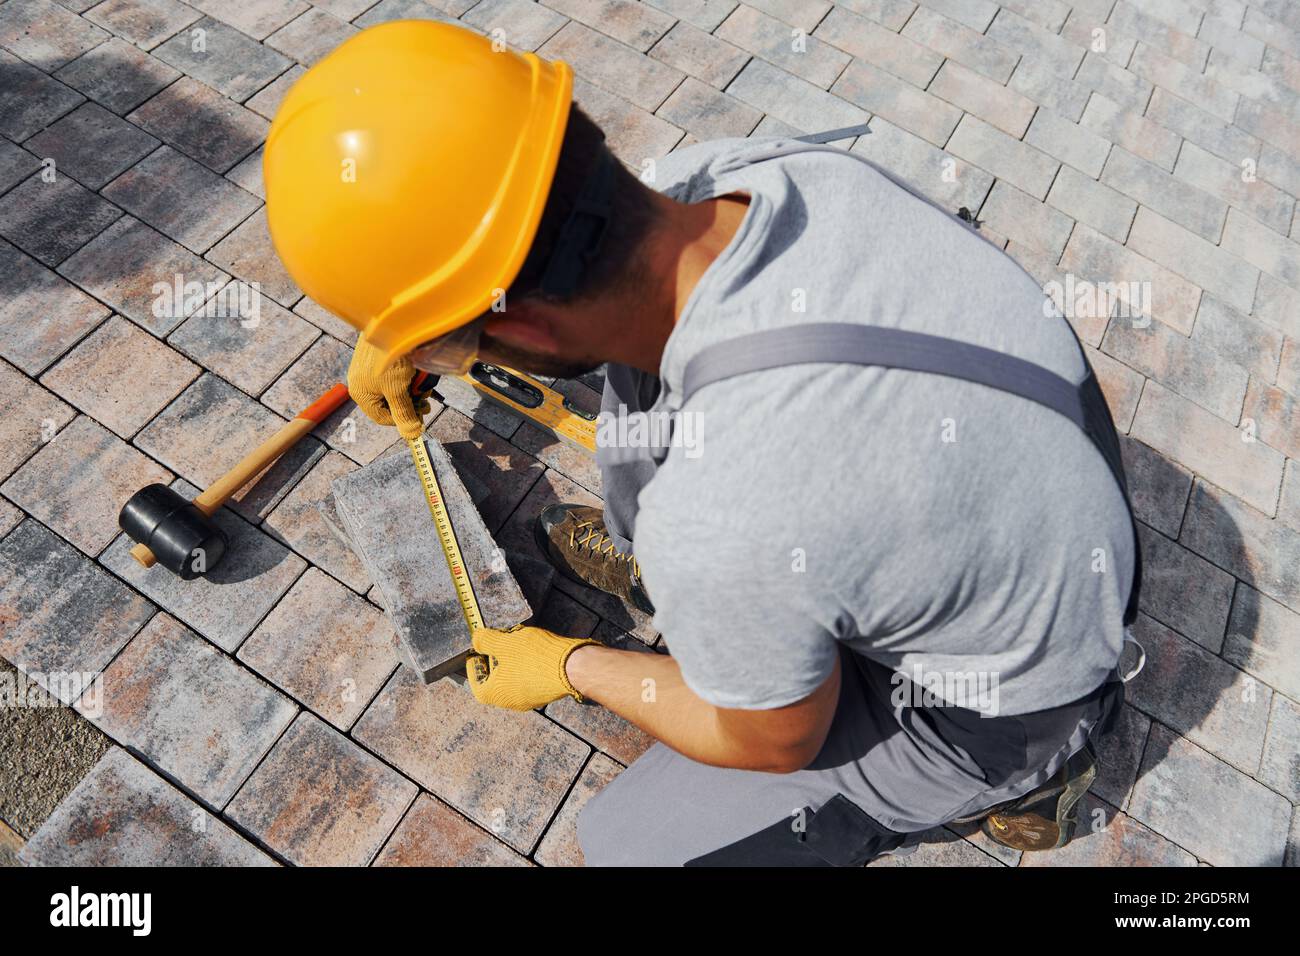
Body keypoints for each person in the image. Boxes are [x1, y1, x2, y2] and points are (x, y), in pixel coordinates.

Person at [264, 20, 1140, 866]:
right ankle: (749, 611)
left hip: (1007, 698)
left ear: (518, 324)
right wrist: (417, 326)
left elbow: (769, 741)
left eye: (453, 345)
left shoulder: (727, 512)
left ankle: (1036, 778)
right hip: (1024, 505)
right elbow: (558, 276)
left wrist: (574, 665)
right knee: (642, 382)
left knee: (637, 847)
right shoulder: (743, 173)